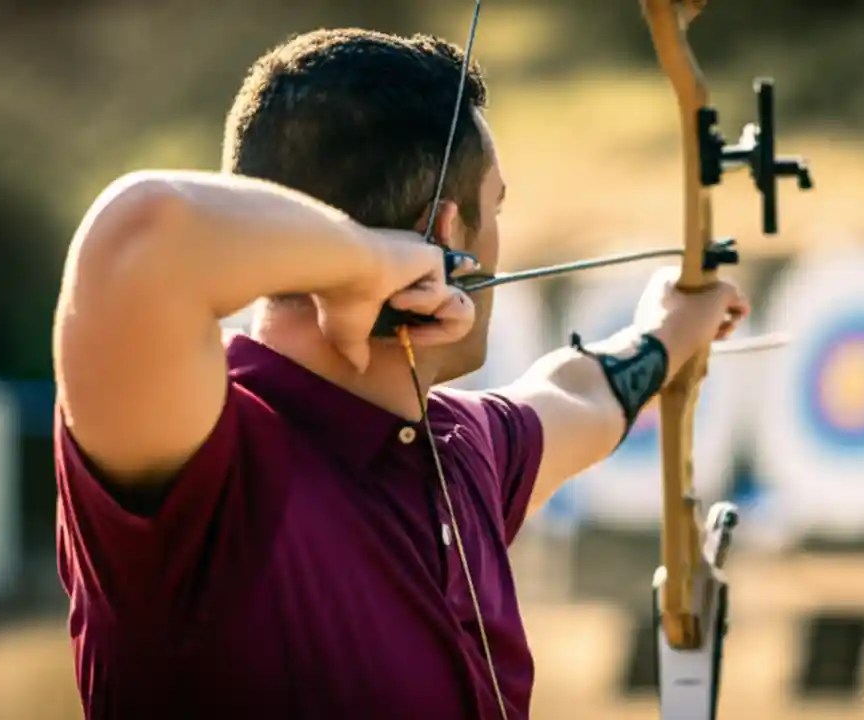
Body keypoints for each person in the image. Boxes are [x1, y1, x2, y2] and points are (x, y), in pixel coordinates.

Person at [53, 28, 747, 719]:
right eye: (495, 206)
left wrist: (669, 329)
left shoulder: (461, 454)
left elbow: (578, 394)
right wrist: (363, 262)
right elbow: (139, 233)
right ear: (446, 236)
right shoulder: (207, 468)